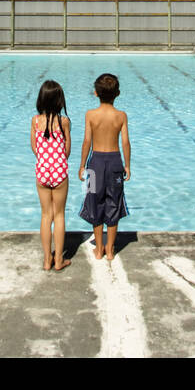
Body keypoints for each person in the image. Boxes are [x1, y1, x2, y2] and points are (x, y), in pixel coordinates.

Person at [78, 72, 131, 261]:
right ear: (118, 94)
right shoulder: (121, 116)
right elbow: (125, 142)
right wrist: (127, 166)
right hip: (116, 162)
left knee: (94, 202)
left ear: (95, 93)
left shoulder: (90, 115)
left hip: (95, 164)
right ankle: (110, 249)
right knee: (114, 203)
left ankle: (99, 248)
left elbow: (86, 142)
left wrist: (82, 165)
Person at [31, 79, 72, 271]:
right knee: (59, 215)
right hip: (59, 171)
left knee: (46, 215)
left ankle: (47, 260)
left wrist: (45, 158)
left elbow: (35, 148)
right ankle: (59, 260)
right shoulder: (64, 121)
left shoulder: (35, 121)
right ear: (59, 101)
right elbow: (67, 150)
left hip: (42, 170)